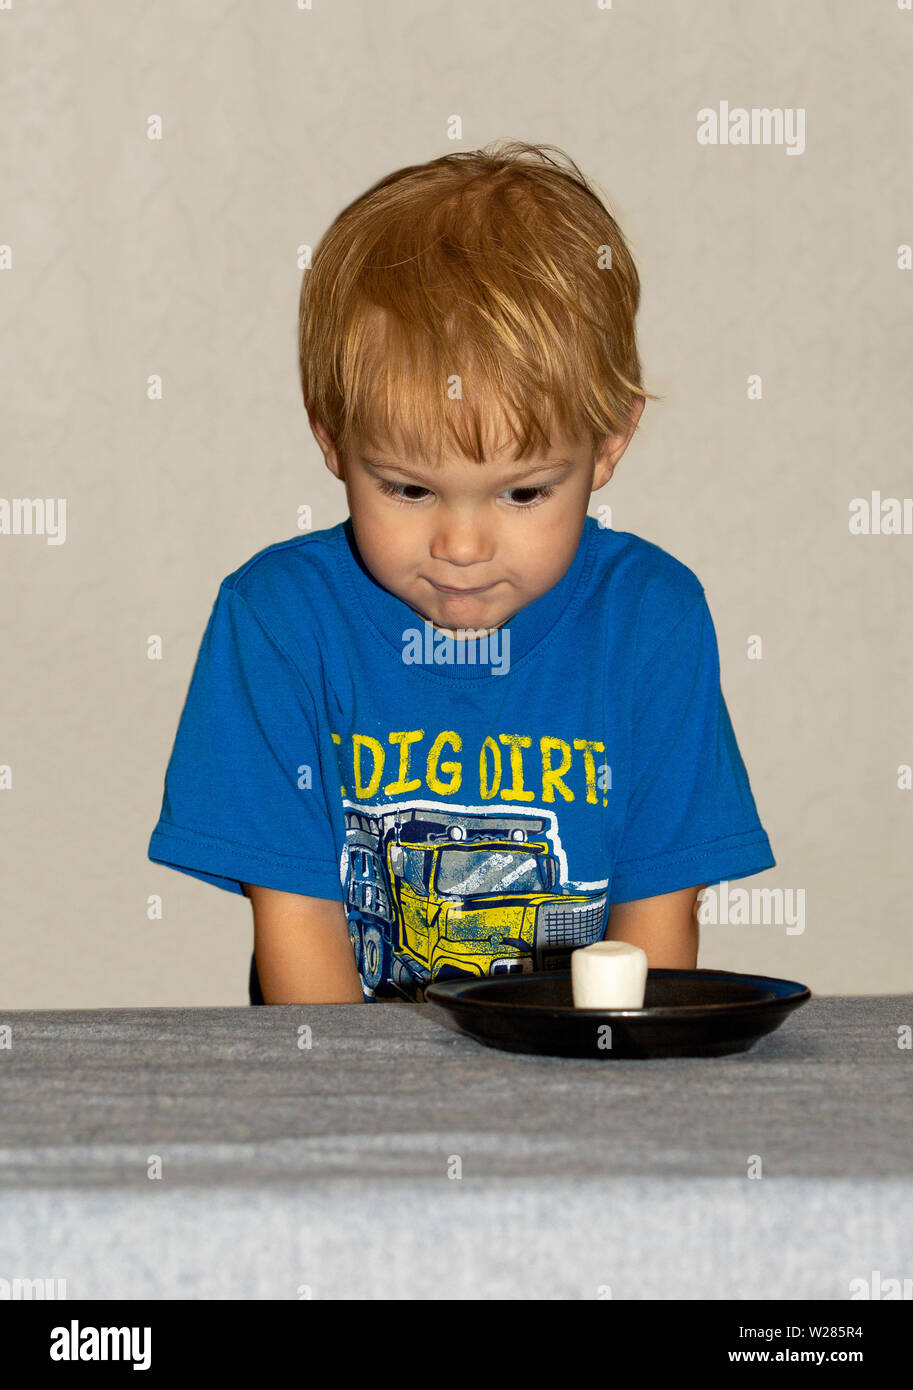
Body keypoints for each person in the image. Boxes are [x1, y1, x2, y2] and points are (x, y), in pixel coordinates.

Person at [148, 139, 775, 1005]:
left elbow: (655, 931)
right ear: (330, 436)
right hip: (348, 1093)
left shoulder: (650, 620)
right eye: (408, 488)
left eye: (521, 493)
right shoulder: (279, 623)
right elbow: (296, 929)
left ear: (609, 443)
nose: (463, 546)